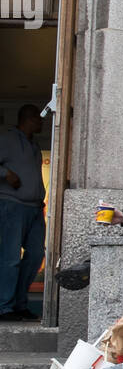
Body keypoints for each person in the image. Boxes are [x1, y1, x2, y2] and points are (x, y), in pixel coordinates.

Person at [0, 103, 46, 321]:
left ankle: (19, 303)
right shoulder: (7, 140)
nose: (42, 122)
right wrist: (5, 173)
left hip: (35, 208)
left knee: (36, 254)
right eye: (38, 118)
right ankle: (4, 307)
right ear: (28, 118)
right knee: (10, 258)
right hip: (12, 204)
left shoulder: (34, 145)